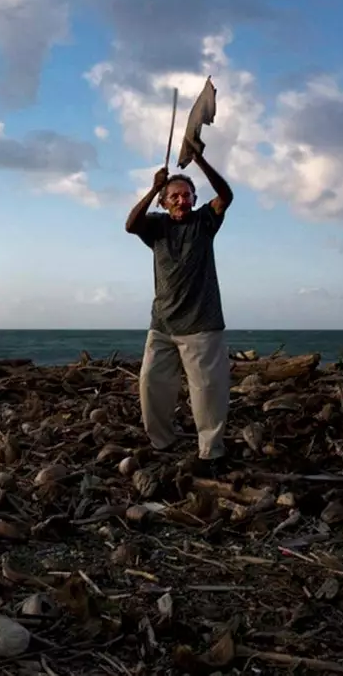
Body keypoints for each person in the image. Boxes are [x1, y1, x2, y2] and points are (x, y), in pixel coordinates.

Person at [124, 143, 233, 477]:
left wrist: (199, 157)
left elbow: (226, 195)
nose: (182, 200)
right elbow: (130, 224)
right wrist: (154, 186)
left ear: (194, 199)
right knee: (151, 384)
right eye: (174, 195)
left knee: (207, 393)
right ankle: (162, 443)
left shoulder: (204, 222)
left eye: (187, 195)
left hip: (201, 325)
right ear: (164, 202)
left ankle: (211, 454)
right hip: (162, 325)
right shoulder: (156, 226)